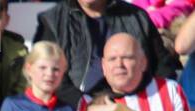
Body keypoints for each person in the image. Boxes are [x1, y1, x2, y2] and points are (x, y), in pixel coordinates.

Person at [32, 0, 175, 99]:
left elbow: (162, 67)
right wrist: (85, 105)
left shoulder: (137, 18)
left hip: (137, 104)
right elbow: (48, 74)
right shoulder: (52, 21)